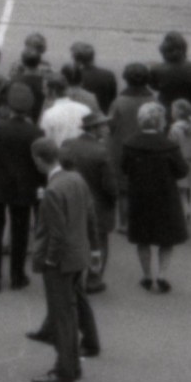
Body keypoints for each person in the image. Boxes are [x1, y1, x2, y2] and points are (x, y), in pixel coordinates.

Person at [27, 136, 101, 382]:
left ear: (39, 159)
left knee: (62, 316)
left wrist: (49, 260)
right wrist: (95, 249)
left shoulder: (53, 190)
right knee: (71, 309)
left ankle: (65, 369)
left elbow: (56, 234)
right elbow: (90, 215)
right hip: (78, 255)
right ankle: (73, 363)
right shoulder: (76, 179)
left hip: (60, 261)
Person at [0, 86, 41, 292]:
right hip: (23, 188)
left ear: (9, 106)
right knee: (20, 233)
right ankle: (17, 275)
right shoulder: (35, 132)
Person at [120, 104, 190, 292]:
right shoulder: (169, 146)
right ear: (160, 121)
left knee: (142, 239)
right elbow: (182, 171)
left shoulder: (130, 143)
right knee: (166, 240)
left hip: (139, 196)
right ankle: (162, 275)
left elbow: (124, 168)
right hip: (165, 197)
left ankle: (146, 275)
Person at [61, 113, 120, 291]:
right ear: (94, 129)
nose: (107, 129)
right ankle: (94, 280)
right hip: (97, 204)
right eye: (103, 125)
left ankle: (71, 279)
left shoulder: (68, 145)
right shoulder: (101, 151)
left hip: (71, 200)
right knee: (98, 243)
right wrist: (114, 199)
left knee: (73, 240)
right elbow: (109, 185)